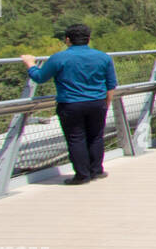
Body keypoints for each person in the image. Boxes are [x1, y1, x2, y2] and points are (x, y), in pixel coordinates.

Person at [20, 23, 118, 185]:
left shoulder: (59, 58)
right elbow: (111, 84)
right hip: (97, 102)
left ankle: (82, 175)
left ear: (67, 40)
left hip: (70, 104)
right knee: (96, 137)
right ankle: (96, 171)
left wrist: (30, 64)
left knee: (76, 139)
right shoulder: (103, 57)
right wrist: (106, 103)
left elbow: (40, 77)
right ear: (88, 39)